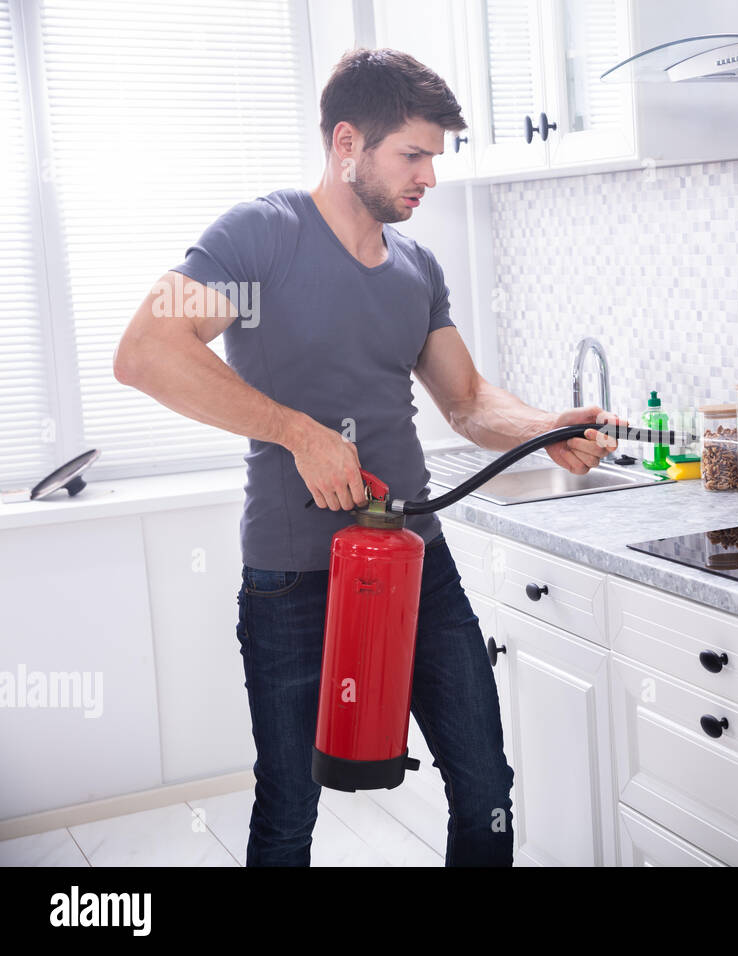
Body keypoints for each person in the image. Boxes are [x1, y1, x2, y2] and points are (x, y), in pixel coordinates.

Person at [112, 48, 622, 867]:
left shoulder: (416, 268)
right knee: (289, 802)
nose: (428, 176)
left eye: (434, 157)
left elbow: (468, 402)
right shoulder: (259, 237)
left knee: (487, 785)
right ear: (347, 142)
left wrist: (544, 428)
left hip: (418, 563)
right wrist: (299, 432)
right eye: (412, 154)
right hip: (294, 579)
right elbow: (145, 351)